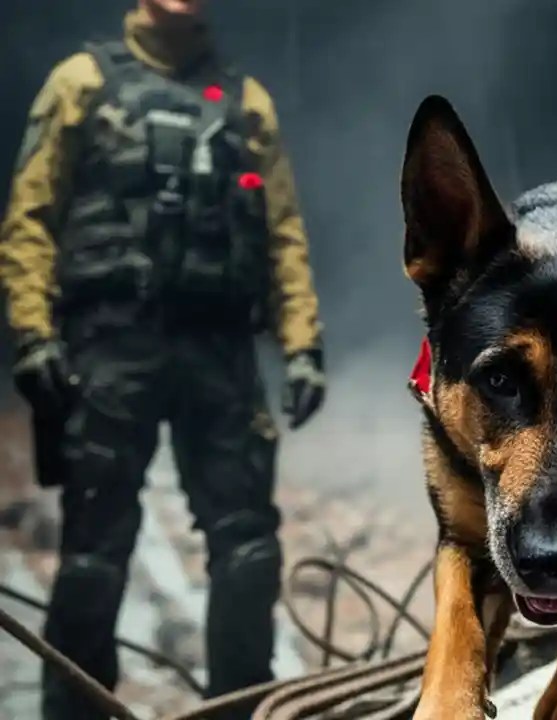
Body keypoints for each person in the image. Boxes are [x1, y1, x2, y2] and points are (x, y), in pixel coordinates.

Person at [0, 0, 326, 716]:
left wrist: (301, 343)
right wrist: (33, 332)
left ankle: (238, 709)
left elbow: (282, 236)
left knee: (247, 553)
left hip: (219, 352)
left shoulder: (246, 104)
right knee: (92, 556)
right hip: (113, 346)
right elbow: (31, 219)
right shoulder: (83, 82)